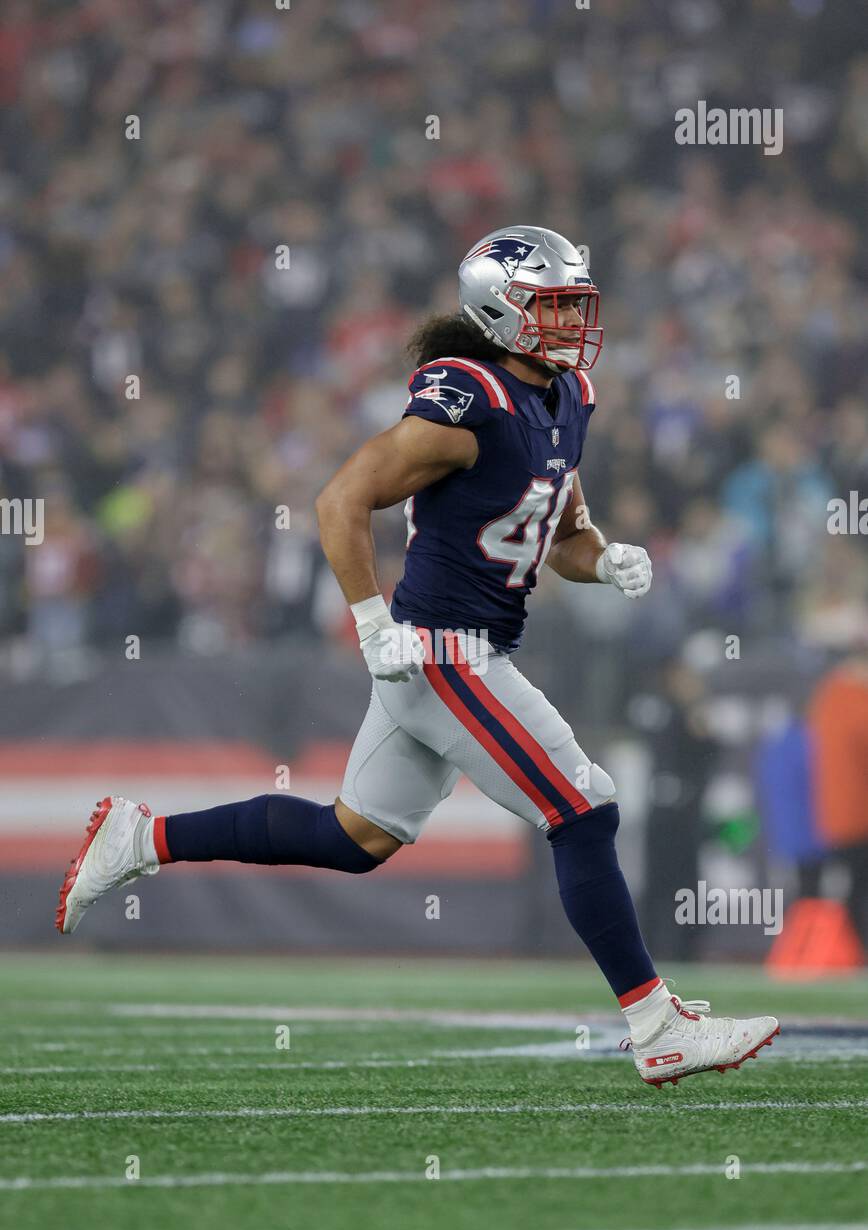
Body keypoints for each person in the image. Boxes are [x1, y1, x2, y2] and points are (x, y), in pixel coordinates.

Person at [55, 225, 778, 1087]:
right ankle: (656, 1025)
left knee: (351, 837)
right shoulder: (465, 400)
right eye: (551, 306)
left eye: (574, 304)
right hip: (442, 656)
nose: (571, 322)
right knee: (584, 809)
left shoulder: (568, 394)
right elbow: (339, 498)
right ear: (499, 310)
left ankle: (142, 837)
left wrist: (605, 558)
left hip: (464, 653)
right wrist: (369, 619)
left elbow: (560, 534)